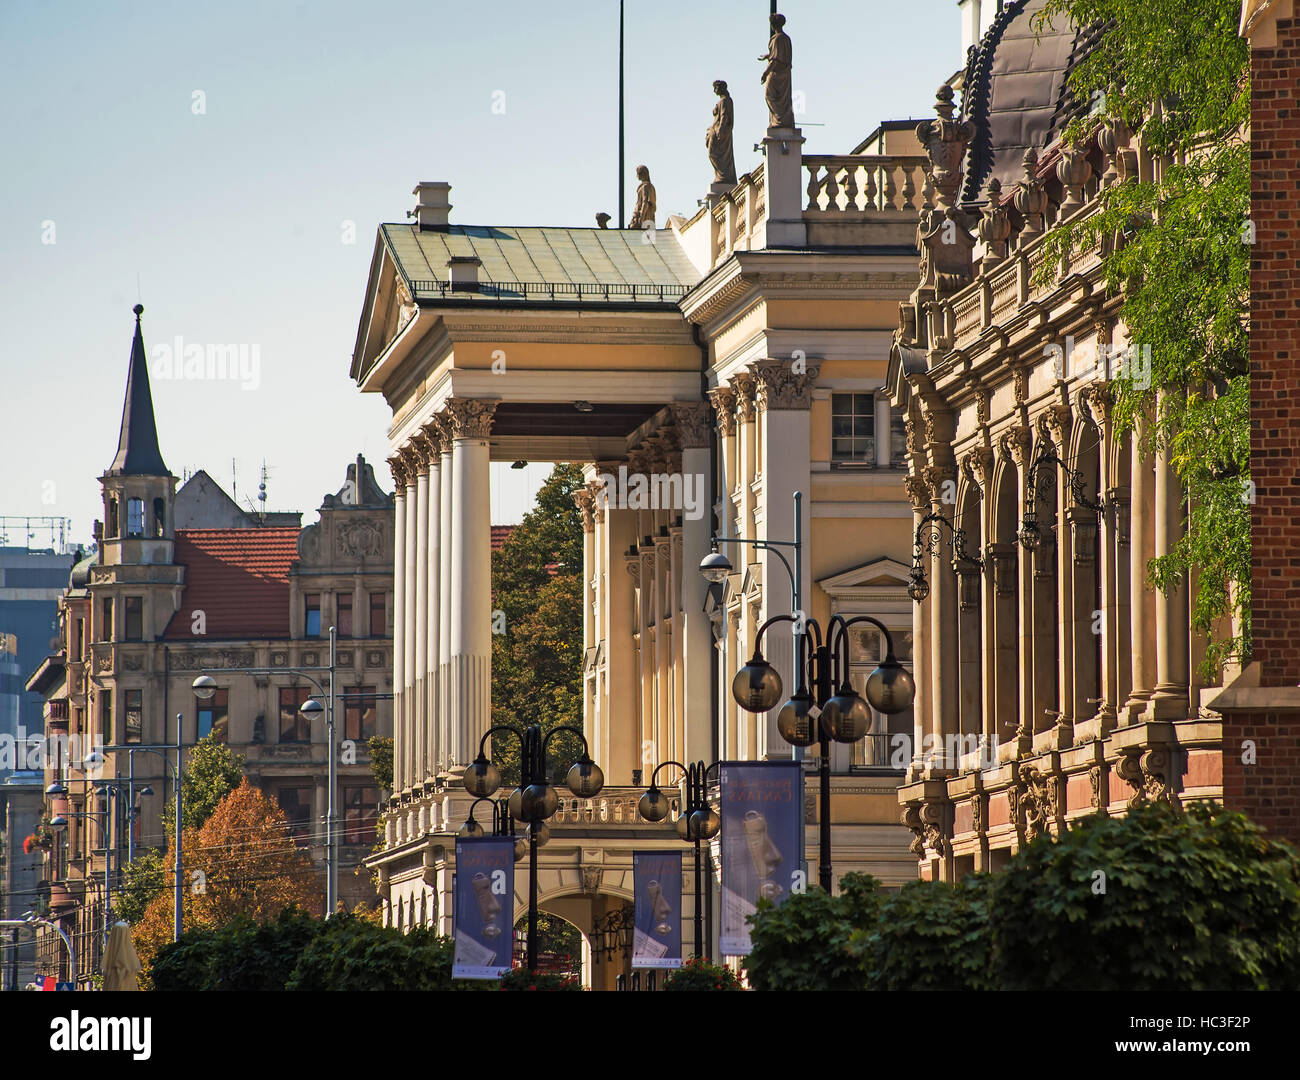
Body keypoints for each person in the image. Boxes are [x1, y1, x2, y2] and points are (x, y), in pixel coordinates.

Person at [759, 13, 794, 129]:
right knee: (783, 99)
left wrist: (765, 73)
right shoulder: (786, 38)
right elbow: (780, 54)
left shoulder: (777, 38)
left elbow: (775, 60)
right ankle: (782, 119)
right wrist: (768, 56)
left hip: (776, 74)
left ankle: (778, 120)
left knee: (769, 95)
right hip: (785, 74)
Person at [707, 80, 736, 186]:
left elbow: (724, 117)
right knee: (720, 155)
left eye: (716, 88)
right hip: (719, 131)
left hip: (721, 133)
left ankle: (722, 176)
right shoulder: (725, 101)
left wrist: (720, 131)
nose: (715, 90)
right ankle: (721, 175)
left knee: (713, 153)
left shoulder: (724, 101)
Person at [629, 165, 656, 230]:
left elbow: (645, 203)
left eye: (638, 173)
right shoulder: (644, 186)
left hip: (644, 217)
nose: (637, 175)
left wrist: (641, 218)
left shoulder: (646, 187)